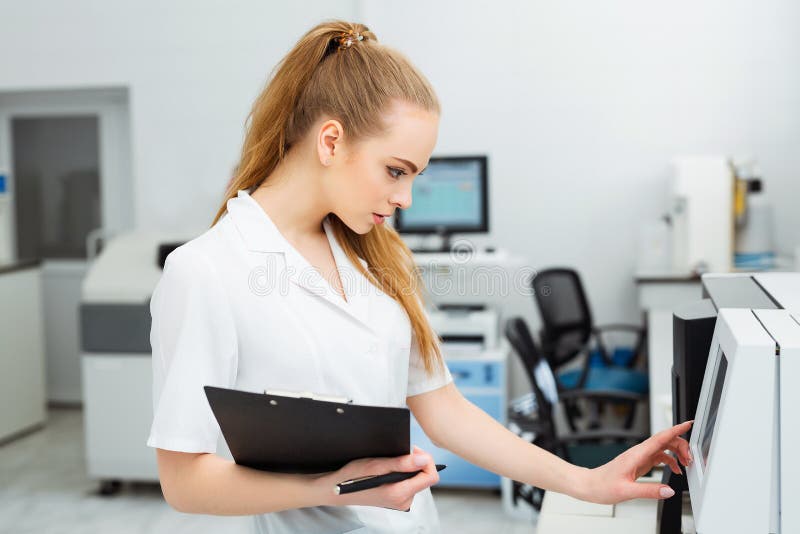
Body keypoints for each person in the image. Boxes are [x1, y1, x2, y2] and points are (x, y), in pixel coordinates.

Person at [147, 19, 693, 534]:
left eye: (415, 176)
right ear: (331, 142)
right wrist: (335, 487)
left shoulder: (376, 256)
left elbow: (443, 409)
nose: (405, 199)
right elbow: (185, 481)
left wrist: (584, 481)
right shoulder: (207, 271)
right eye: (395, 171)